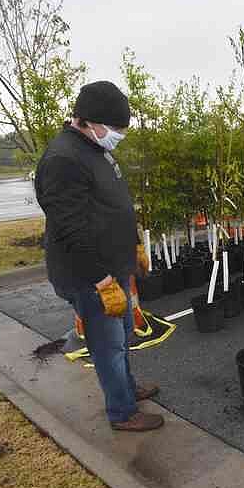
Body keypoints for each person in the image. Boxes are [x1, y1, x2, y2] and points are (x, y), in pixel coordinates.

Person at [34, 81, 163, 432]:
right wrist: (100, 278)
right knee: (108, 346)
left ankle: (128, 390)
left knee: (122, 335)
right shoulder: (63, 159)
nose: (119, 135)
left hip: (113, 266)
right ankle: (122, 413)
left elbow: (115, 204)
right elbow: (69, 228)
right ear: (91, 121)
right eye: (117, 128)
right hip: (91, 276)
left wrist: (133, 245)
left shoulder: (94, 148)